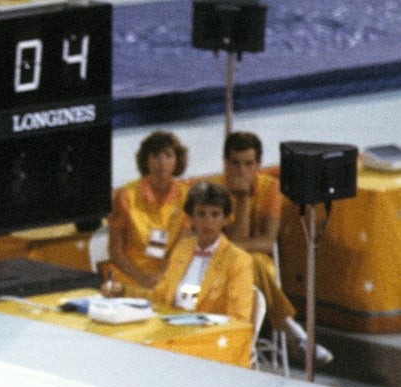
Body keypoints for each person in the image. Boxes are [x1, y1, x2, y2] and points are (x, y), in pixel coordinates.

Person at [217, 131, 333, 364]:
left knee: (253, 261)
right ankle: (293, 331)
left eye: (248, 164)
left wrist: (228, 246)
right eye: (235, 163)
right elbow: (232, 247)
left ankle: (285, 333)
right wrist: (241, 198)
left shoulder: (270, 188)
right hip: (221, 266)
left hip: (255, 265)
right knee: (250, 261)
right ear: (226, 163)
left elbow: (267, 242)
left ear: (258, 164)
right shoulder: (215, 191)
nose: (241, 170)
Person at [102, 181, 255, 324]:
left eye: (215, 214)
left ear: (226, 220)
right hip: (172, 327)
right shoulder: (183, 249)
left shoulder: (238, 260)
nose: (208, 221)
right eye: (201, 214)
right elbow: (160, 296)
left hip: (210, 338)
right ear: (191, 219)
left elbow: (238, 320)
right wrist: (123, 290)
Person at [106, 130, 191, 289]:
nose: (162, 162)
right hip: (130, 275)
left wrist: (161, 277)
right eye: (155, 156)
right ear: (146, 161)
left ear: (177, 161)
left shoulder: (186, 196)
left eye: (168, 155)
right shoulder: (125, 196)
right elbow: (116, 252)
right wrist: (143, 279)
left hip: (169, 274)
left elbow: (179, 249)